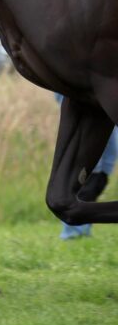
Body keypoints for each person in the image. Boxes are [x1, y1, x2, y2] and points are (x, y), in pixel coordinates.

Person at [53, 93, 113, 239]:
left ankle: (82, 228)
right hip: (87, 90)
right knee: (88, 169)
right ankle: (73, 232)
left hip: (107, 92)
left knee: (105, 167)